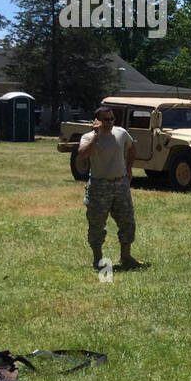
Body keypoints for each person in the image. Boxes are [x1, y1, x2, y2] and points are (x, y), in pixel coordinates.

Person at [76, 106, 145, 271]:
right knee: (97, 224)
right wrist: (96, 136)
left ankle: (126, 257)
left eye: (112, 119)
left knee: (127, 221)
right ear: (97, 121)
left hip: (120, 184)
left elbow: (132, 148)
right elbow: (83, 154)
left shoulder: (121, 133)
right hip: (99, 186)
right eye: (105, 119)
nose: (109, 122)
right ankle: (98, 259)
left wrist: (129, 169)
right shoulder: (88, 137)